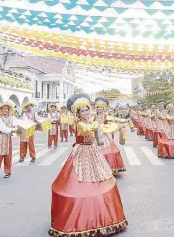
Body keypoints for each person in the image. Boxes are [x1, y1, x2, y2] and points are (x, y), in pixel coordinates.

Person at [49, 93, 128, 237]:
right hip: (82, 153)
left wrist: (103, 135)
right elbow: (86, 130)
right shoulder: (79, 124)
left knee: (102, 181)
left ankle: (103, 218)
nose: (86, 112)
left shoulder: (92, 121)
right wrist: (100, 127)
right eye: (83, 111)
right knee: (80, 184)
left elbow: (98, 137)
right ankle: (82, 220)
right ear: (78, 113)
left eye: (87, 109)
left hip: (93, 152)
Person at [94, 97, 126, 174]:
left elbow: (115, 120)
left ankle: (110, 167)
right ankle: (98, 169)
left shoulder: (106, 116)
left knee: (109, 151)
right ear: (96, 108)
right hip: (96, 135)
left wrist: (123, 121)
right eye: (98, 107)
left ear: (104, 108)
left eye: (101, 107)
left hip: (106, 135)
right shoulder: (94, 116)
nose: (100, 109)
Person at [0, 100, 21, 179]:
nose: (4, 110)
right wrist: (12, 129)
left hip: (8, 138)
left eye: (6, 109)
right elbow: (3, 129)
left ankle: (8, 171)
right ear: (1, 110)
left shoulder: (12, 118)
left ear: (8, 110)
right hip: (0, 138)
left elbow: (16, 125)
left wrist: (13, 128)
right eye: (3, 109)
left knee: (8, 156)